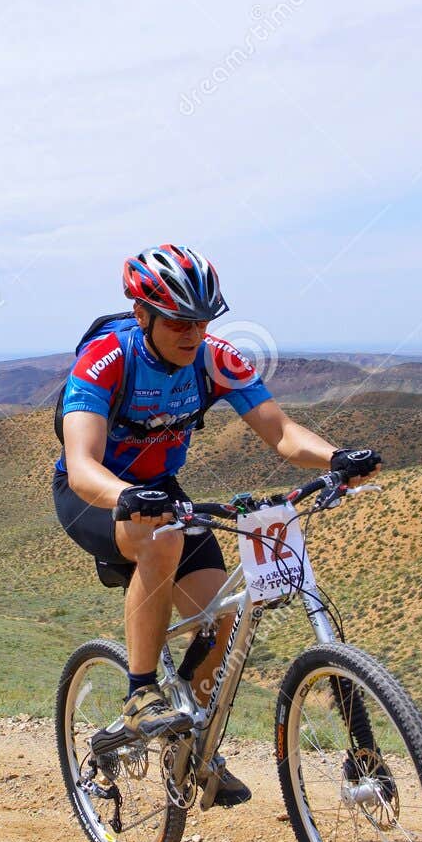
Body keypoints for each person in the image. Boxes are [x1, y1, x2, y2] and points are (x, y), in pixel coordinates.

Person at [54, 244, 382, 806]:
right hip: (97, 493)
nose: (193, 332)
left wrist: (334, 459)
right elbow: (82, 463)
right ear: (143, 316)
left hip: (165, 492)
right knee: (161, 539)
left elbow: (279, 431)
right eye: (180, 320)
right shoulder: (107, 359)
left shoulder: (214, 357)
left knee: (224, 620)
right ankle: (139, 694)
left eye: (203, 320)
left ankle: (191, 740)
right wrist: (127, 495)